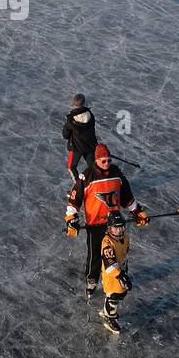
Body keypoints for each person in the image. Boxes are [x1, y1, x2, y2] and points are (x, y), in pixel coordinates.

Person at [65, 143, 148, 300]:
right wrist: (71, 217)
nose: (107, 163)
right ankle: (92, 280)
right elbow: (75, 198)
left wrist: (137, 211)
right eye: (103, 161)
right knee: (95, 254)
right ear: (96, 160)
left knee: (116, 253)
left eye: (109, 160)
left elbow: (126, 195)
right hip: (95, 224)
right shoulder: (88, 175)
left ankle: (115, 279)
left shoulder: (116, 173)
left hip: (115, 223)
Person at [97, 210, 133, 335]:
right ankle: (109, 318)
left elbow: (124, 255)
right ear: (109, 229)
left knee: (120, 294)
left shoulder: (126, 238)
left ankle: (106, 310)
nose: (118, 231)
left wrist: (124, 271)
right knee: (113, 295)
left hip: (120, 270)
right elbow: (110, 263)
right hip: (111, 274)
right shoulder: (107, 243)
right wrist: (121, 275)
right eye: (115, 229)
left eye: (121, 227)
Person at [61, 93, 98, 189]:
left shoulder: (70, 120)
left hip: (76, 147)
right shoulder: (91, 116)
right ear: (84, 102)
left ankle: (78, 189)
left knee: (71, 167)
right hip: (90, 146)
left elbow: (65, 135)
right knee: (93, 168)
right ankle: (97, 187)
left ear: (73, 104)